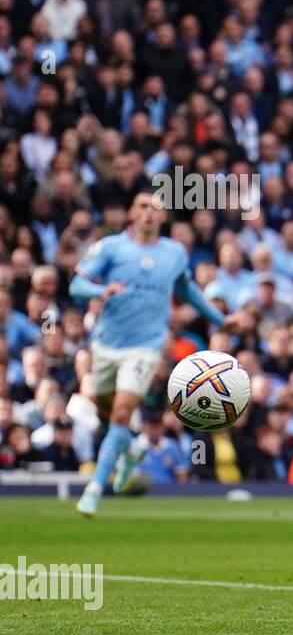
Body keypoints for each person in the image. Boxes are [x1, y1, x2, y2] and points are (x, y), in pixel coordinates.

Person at [69, 191, 229, 516]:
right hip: (106, 344)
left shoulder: (174, 253)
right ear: (131, 212)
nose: (148, 213)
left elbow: (186, 290)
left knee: (121, 413)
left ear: (163, 216)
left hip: (145, 347)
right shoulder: (110, 247)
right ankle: (129, 453)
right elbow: (76, 286)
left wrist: (221, 320)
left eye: (156, 208)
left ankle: (95, 489)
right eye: (143, 206)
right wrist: (102, 290)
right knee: (104, 409)